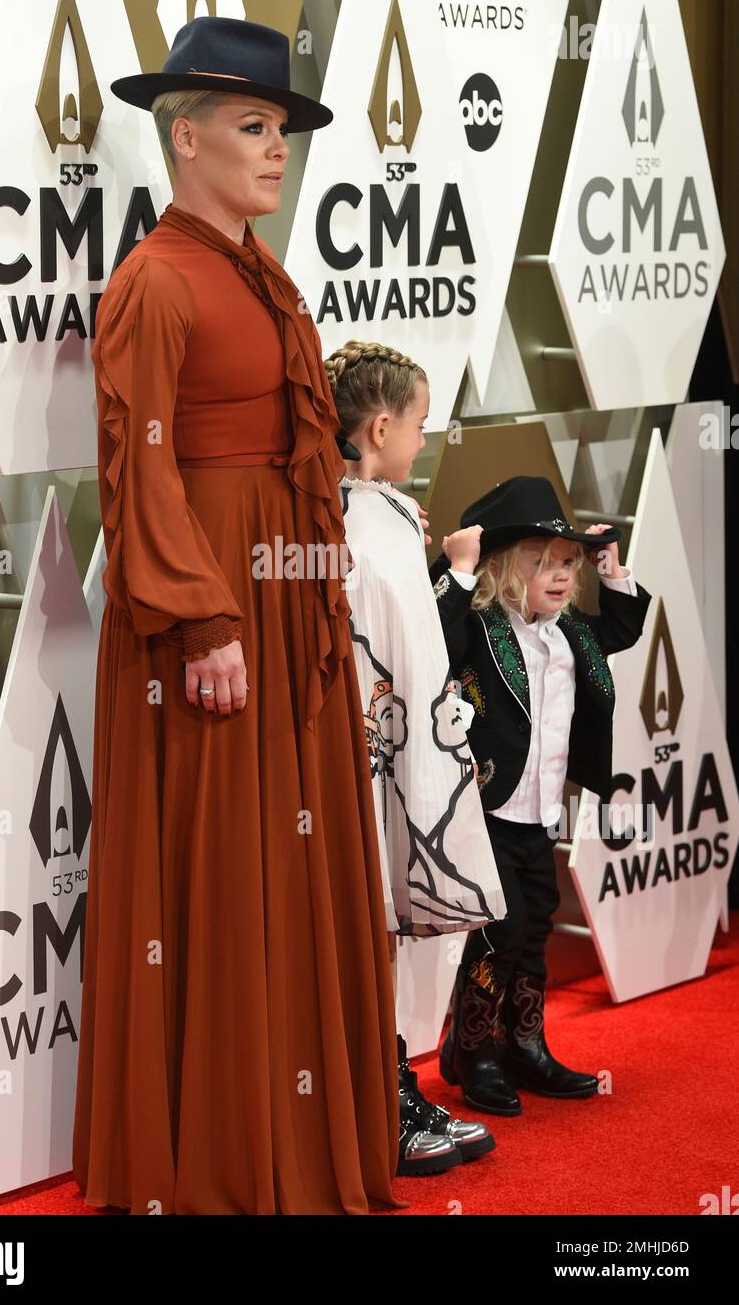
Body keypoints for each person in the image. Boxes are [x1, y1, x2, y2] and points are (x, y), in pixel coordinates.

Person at [72, 17, 404, 1214]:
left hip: (276, 591)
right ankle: (211, 1158)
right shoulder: (153, 280)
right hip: (206, 606)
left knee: (288, 858)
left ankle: (288, 1135)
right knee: (213, 868)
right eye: (254, 128)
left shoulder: (265, 274)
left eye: (281, 130)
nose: (275, 151)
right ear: (185, 133)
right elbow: (135, 466)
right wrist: (204, 621)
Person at [326, 338, 507, 1172]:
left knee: (390, 925)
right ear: (381, 425)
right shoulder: (354, 521)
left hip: (401, 753)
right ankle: (376, 1097)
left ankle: (393, 1079)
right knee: (370, 921)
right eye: (420, 425)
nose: (426, 442)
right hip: (377, 759)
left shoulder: (378, 516)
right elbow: (386, 650)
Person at [428, 476, 651, 1115]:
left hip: (541, 810)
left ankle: (524, 1044)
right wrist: (459, 567)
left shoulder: (571, 634)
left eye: (568, 563)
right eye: (541, 562)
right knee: (502, 927)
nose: (559, 576)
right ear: (502, 565)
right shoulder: (477, 628)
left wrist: (611, 566)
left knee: (536, 929)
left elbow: (626, 626)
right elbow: (434, 635)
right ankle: (473, 1051)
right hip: (487, 807)